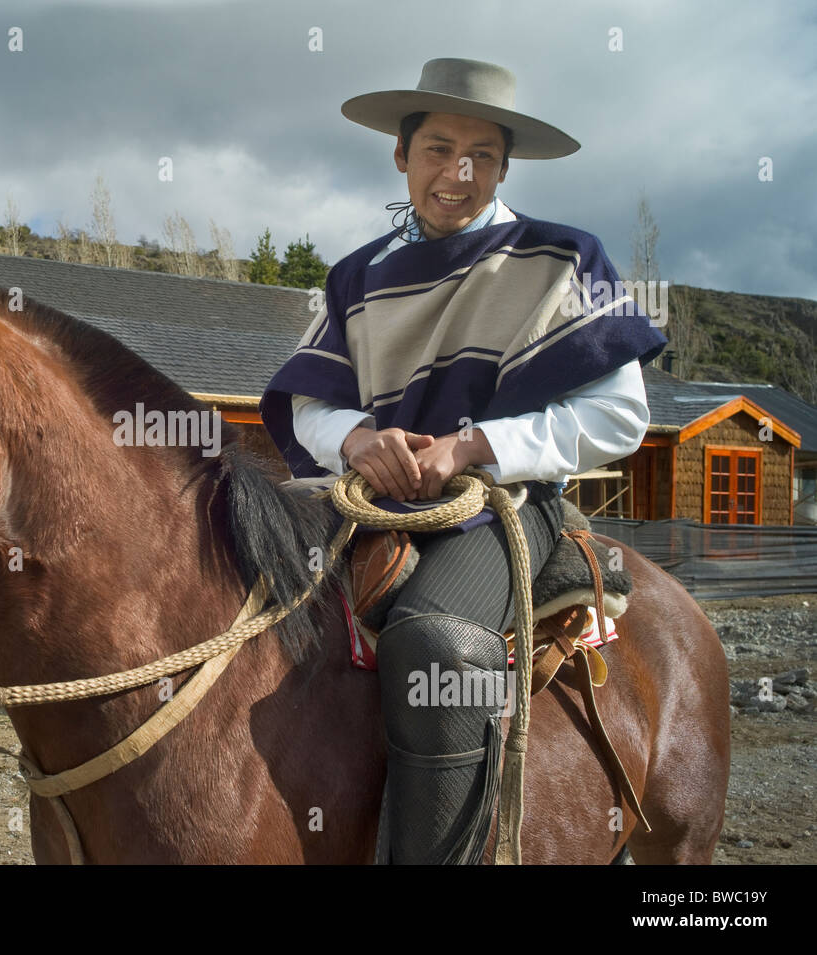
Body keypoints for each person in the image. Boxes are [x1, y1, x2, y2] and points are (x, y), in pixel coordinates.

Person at [260, 59, 667, 864]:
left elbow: (620, 415)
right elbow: (310, 403)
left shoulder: (561, 259)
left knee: (435, 646)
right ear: (402, 156)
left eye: (481, 153)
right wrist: (357, 439)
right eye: (438, 148)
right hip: (365, 498)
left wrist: (473, 445)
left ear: (505, 167)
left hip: (501, 502)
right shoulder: (356, 277)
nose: (458, 172)